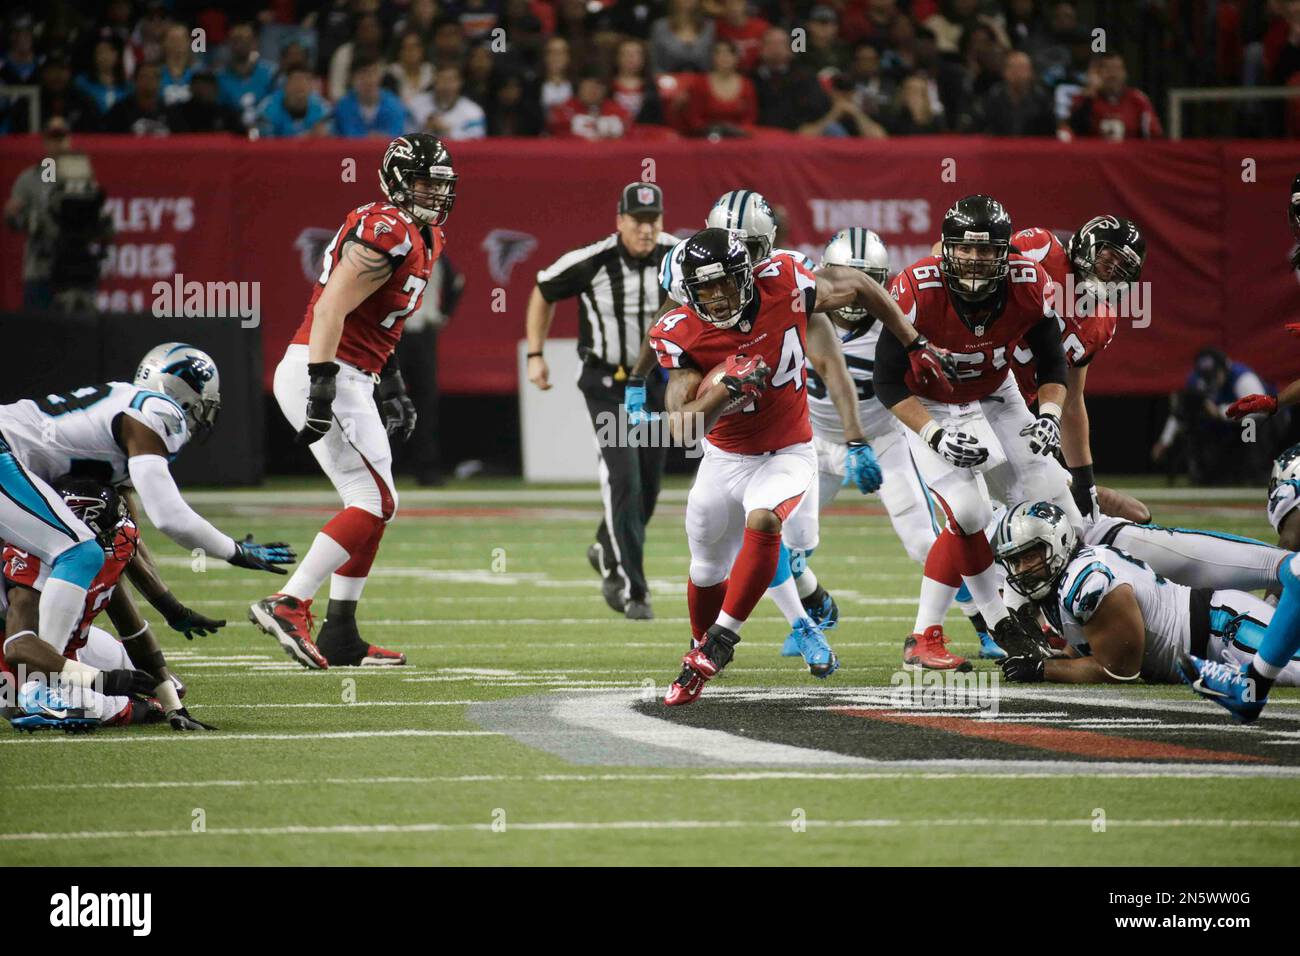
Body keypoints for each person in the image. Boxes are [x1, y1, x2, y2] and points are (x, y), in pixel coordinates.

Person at [649, 228, 956, 705]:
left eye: (726, 283)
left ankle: (721, 642)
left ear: (746, 275)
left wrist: (913, 340)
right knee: (707, 568)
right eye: (704, 289)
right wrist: (723, 392)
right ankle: (700, 640)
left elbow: (859, 285)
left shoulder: (786, 282)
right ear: (688, 293)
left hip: (788, 450)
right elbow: (680, 428)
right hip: (724, 458)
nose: (718, 297)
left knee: (767, 519)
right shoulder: (681, 330)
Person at [250, 135, 455, 669]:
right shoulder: (386, 229)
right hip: (327, 368)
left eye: (439, 184)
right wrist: (322, 385)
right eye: (423, 183)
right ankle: (289, 601)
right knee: (373, 501)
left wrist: (392, 385)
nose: (433, 193)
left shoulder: (424, 235)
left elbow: (379, 321)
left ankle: (341, 633)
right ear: (396, 182)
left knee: (375, 504)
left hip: (355, 373)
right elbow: (331, 310)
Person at [872, 194, 1082, 672]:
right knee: (968, 510)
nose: (976, 260)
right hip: (929, 401)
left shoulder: (1029, 285)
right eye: (966, 249)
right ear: (946, 248)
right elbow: (884, 380)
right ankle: (999, 621)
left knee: (1055, 498)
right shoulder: (919, 288)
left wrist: (1048, 413)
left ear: (1006, 253)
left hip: (995, 390)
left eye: (988, 251)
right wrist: (934, 436)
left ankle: (1051, 614)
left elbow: (1052, 361)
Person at [0, 343, 292, 678]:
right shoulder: (157, 410)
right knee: (79, 554)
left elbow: (127, 540)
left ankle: (37, 680)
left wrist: (170, 607)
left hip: (10, 459)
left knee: (15, 600)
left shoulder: (120, 414)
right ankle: (46, 683)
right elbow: (169, 516)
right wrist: (233, 550)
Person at [784, 228, 1001, 659]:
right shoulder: (798, 309)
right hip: (809, 442)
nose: (854, 296)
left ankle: (986, 622)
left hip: (882, 441)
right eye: (848, 279)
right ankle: (814, 608)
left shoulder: (899, 320)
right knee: (785, 543)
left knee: (924, 541)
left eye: (867, 282)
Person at [526, 183, 677, 619]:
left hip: (652, 384)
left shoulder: (677, 256)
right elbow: (543, 289)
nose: (647, 231)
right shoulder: (592, 261)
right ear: (620, 221)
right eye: (638, 222)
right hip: (606, 384)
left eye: (654, 221)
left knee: (648, 486)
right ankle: (632, 587)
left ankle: (604, 546)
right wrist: (536, 354)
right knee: (624, 478)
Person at [992, 501, 1300, 690]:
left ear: (1057, 542)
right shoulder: (1065, 581)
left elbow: (1119, 671)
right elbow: (1091, 641)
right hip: (1208, 646)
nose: (1022, 568)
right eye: (1016, 561)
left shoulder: (1087, 581)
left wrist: (1044, 670)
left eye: (1030, 556)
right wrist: (1064, 658)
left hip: (1226, 631)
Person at [3, 478, 215, 732]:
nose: (117, 536)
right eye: (108, 531)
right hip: (18, 662)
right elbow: (18, 648)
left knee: (166, 686)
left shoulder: (102, 551)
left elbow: (133, 631)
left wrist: (173, 707)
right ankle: (33, 699)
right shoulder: (32, 561)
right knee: (89, 710)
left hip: (71, 643)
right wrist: (100, 679)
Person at [1009, 215, 1148, 523]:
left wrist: (1085, 480)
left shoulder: (1102, 321)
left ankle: (1070, 488)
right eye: (1107, 259)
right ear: (1086, 245)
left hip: (1015, 411)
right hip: (975, 379)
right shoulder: (1042, 251)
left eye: (1122, 269)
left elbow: (1071, 401)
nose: (1111, 272)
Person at [1152, 349, 1277, 486]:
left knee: (1251, 424)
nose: (1210, 381)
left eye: (1213, 375)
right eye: (1206, 376)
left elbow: (1261, 409)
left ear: (1224, 369)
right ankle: (1209, 473)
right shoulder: (1197, 381)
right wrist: (1165, 440)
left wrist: (1221, 412)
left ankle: (1256, 472)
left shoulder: (1242, 378)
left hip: (1264, 422)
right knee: (1196, 422)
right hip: (1227, 426)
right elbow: (1182, 412)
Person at [1067, 51, 1163, 141]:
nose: (1113, 74)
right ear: (1096, 74)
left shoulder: (1137, 99)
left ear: (1125, 73)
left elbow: (1154, 136)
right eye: (1107, 69)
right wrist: (1089, 97)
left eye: (1117, 69)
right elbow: (1074, 135)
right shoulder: (1084, 99)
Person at [753, 26, 831, 131]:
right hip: (759, 135)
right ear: (761, 48)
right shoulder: (751, 78)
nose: (775, 48)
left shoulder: (805, 77)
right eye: (770, 43)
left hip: (798, 135)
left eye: (780, 44)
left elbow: (817, 108)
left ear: (789, 49)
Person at [683, 39, 757, 136]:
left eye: (729, 53)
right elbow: (694, 118)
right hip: (706, 138)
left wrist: (739, 133)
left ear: (736, 58)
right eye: (719, 53)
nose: (724, 56)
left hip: (739, 138)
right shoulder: (699, 83)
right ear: (712, 58)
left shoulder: (747, 85)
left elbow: (750, 117)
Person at [974, 49, 1055, 136]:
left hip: (1033, 147)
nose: (1017, 73)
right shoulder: (993, 97)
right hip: (999, 147)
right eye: (1013, 67)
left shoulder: (1042, 100)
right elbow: (982, 127)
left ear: (1031, 72)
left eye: (1022, 68)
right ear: (1004, 72)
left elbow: (1050, 132)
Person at [217, 21, 277, 131]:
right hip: (233, 134)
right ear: (229, 43)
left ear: (254, 42)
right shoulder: (219, 77)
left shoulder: (271, 74)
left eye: (245, 39)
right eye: (235, 40)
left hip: (266, 136)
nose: (240, 44)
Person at [333, 58, 408, 138]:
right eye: (362, 75)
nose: (368, 80)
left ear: (379, 77)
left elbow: (396, 137)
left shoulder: (395, 105)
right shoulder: (343, 106)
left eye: (372, 74)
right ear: (352, 79)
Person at [547, 70, 631, 140]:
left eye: (598, 86)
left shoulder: (617, 111)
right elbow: (556, 135)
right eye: (588, 86)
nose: (593, 91)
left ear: (605, 89)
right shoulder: (563, 110)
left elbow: (628, 135)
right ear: (579, 87)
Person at [417, 63, 487, 140]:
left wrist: (449, 131)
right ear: (434, 81)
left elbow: (477, 142)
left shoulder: (473, 111)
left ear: (460, 82)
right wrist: (424, 129)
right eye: (442, 79)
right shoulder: (417, 105)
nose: (446, 85)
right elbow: (405, 137)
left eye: (451, 80)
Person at [258, 65, 332, 137]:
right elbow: (266, 145)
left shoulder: (322, 109)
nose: (300, 86)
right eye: (295, 83)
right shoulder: (268, 109)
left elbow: (331, 139)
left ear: (310, 89)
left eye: (305, 83)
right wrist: (307, 137)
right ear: (285, 87)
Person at [649, 0, 715, 73]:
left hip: (705, 81)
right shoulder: (660, 27)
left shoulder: (710, 27)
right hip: (667, 81)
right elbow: (655, 64)